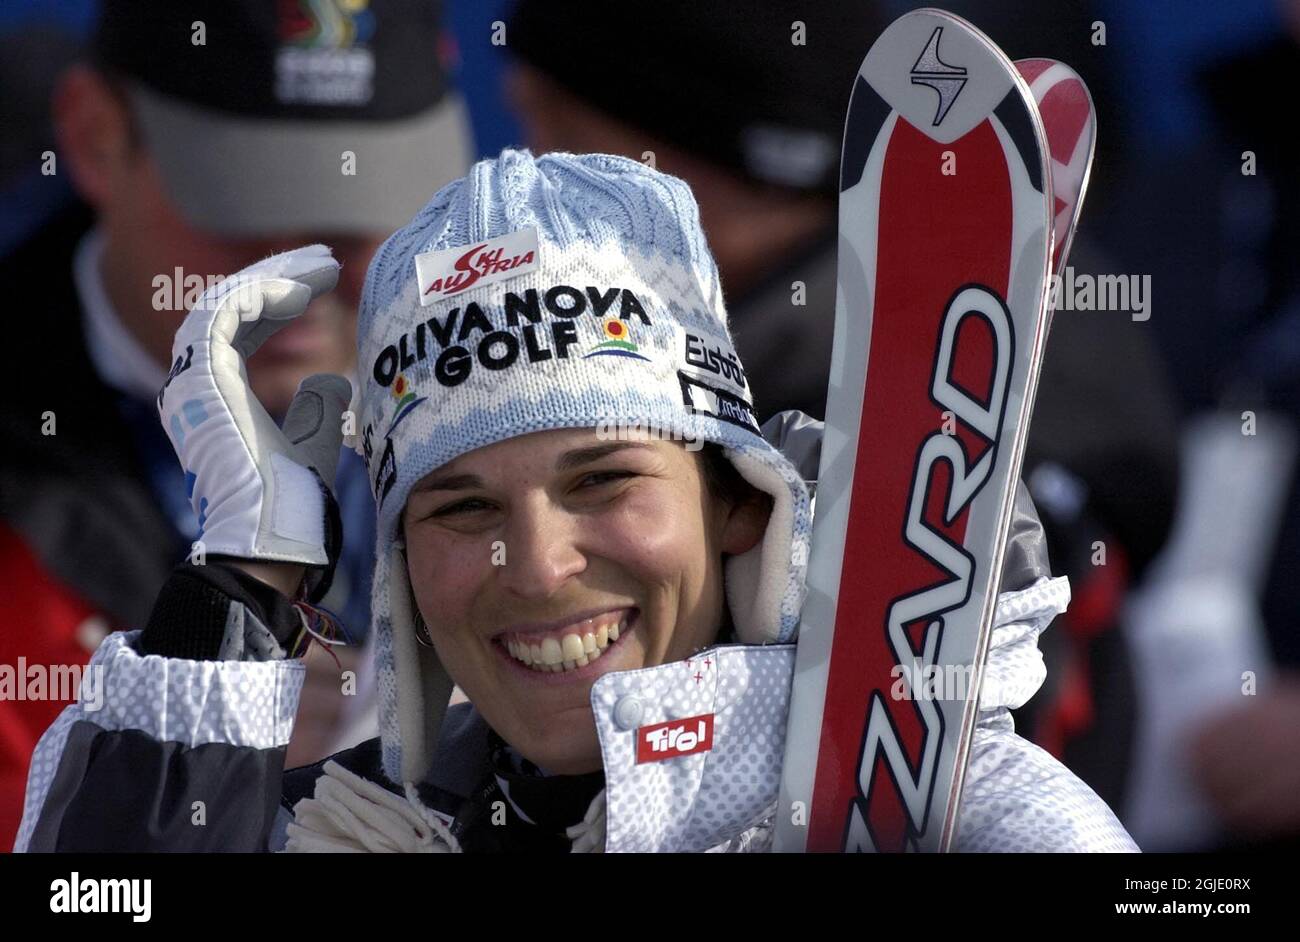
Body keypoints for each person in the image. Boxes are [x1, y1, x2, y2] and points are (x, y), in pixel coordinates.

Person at [15, 149, 1136, 853]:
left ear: (737, 505)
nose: (538, 566)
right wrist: (243, 582)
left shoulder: (963, 810)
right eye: (458, 507)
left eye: (603, 480)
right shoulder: (348, 827)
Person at [0, 0, 471, 846]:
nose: (303, 271)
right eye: (242, 207)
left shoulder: (554, 402)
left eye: (362, 213)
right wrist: (180, 755)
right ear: (95, 136)